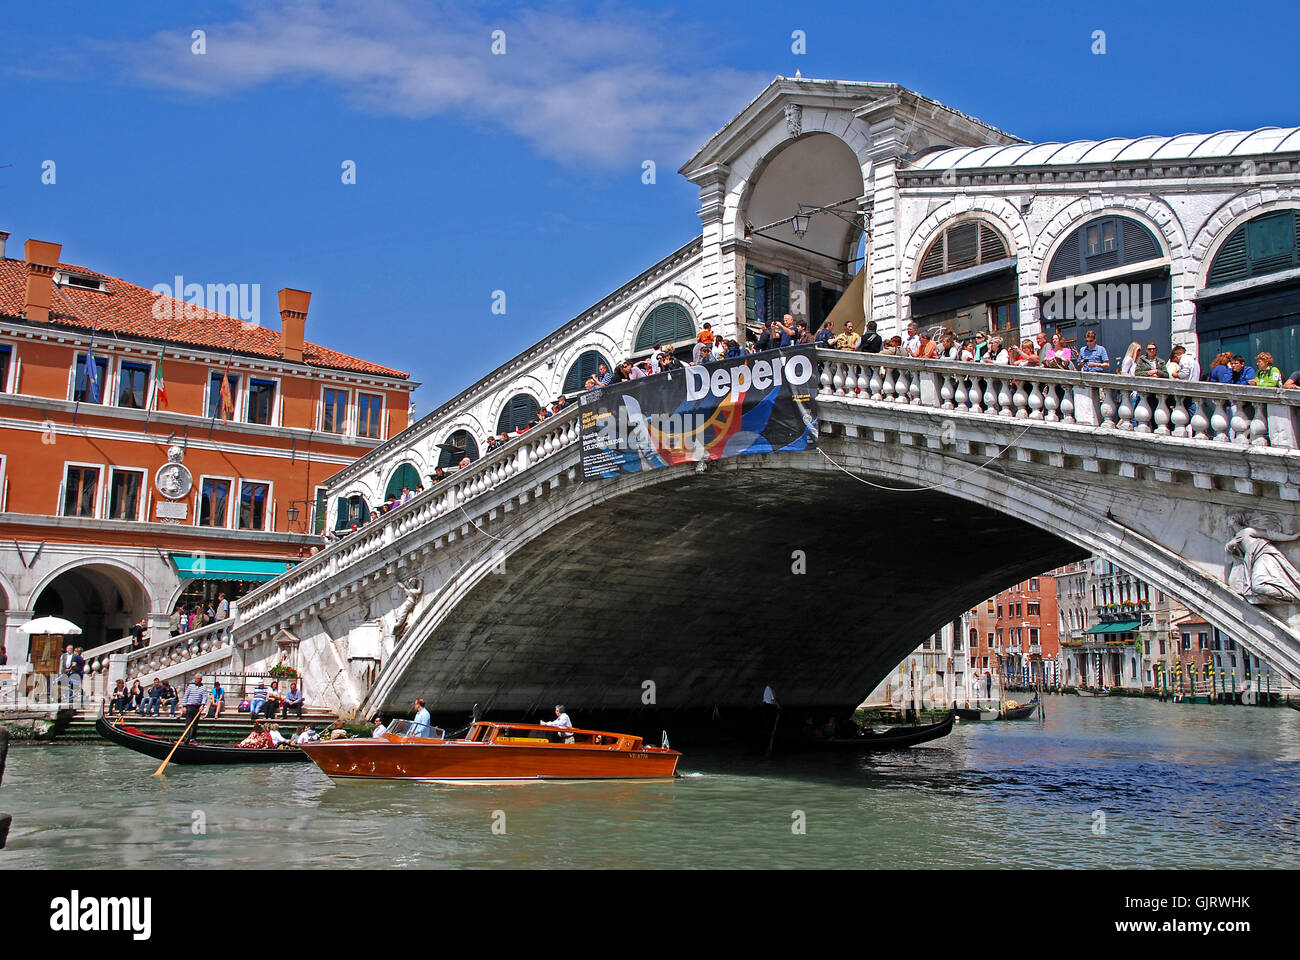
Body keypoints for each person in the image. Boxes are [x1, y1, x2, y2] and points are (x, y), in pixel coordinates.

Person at [179, 675, 208, 743]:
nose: (195, 680)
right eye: (195, 678)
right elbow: (186, 696)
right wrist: (184, 706)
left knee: (195, 723)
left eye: (197, 679)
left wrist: (202, 705)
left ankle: (192, 737)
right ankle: (187, 737)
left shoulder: (203, 688)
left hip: (197, 707)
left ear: (200, 679)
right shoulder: (190, 686)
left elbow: (204, 697)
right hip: (189, 706)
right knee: (188, 722)